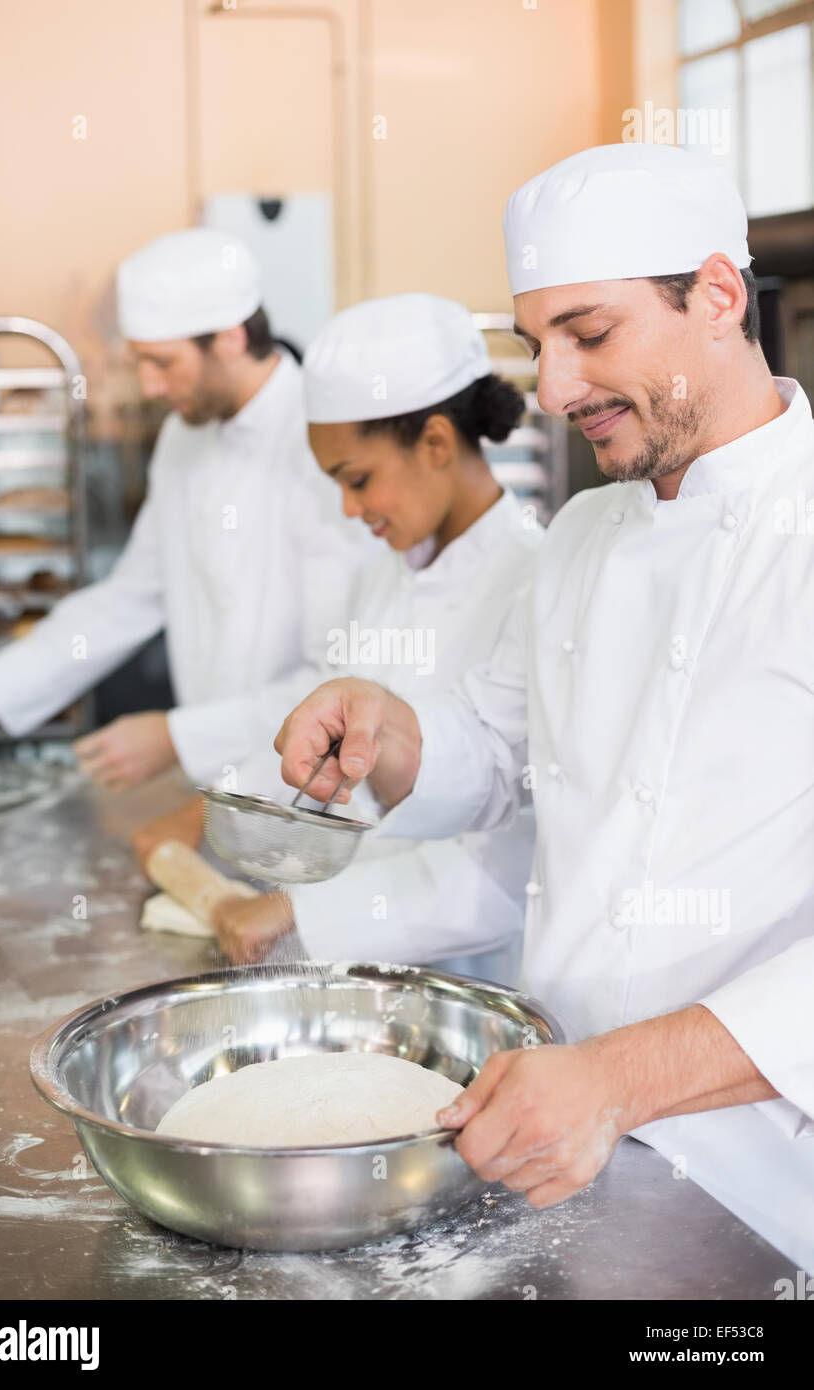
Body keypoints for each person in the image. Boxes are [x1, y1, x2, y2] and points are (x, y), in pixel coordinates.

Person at [273, 143, 814, 1273]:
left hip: (763, 1186)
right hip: (550, 1135)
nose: (554, 390)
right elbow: (498, 754)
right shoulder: (579, 538)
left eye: (590, 333)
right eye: (536, 346)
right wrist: (386, 725)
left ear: (718, 296)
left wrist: (619, 1078)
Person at [0, 228, 369, 788]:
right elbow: (132, 595)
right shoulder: (183, 437)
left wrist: (181, 738)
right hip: (214, 781)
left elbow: (343, 676)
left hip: (308, 788)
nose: (148, 386)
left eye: (162, 363)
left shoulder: (326, 446)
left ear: (230, 339)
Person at [203, 293, 542, 983]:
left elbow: (515, 865)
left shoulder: (536, 582)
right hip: (356, 970)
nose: (349, 510)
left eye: (358, 480)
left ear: (437, 443)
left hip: (467, 984)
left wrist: (306, 914)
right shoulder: (388, 571)